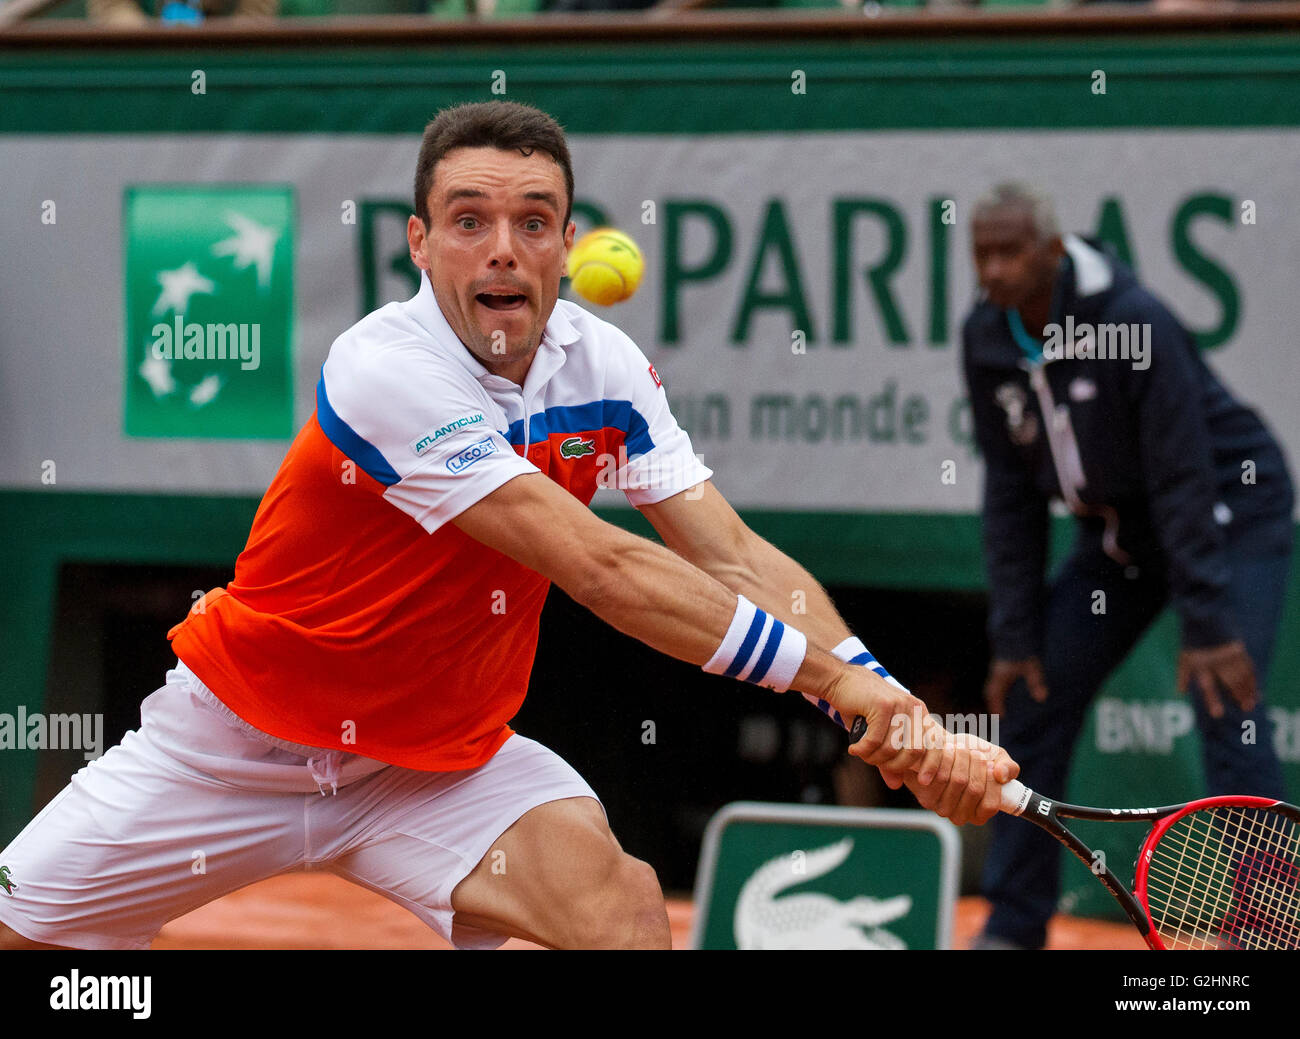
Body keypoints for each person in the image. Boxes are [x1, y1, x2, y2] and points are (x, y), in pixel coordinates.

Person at [0, 102, 1014, 952]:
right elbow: (600, 566)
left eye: (534, 221)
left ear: (569, 245)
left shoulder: (602, 366)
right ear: (419, 240)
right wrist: (828, 680)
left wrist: (880, 690)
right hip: (233, 744)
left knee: (622, 912)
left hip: (440, 766)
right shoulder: (382, 368)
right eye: (469, 219)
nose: (502, 248)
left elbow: (732, 552)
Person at [964, 181, 1293, 950]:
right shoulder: (986, 335)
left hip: (1228, 510)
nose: (995, 269)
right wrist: (1015, 635)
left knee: (1227, 701)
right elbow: (1009, 494)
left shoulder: (1132, 321)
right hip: (1121, 536)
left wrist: (1208, 622)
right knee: (1034, 693)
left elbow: (1183, 474)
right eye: (982, 252)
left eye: (1011, 250)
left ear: (1051, 250)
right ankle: (1013, 926)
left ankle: (1265, 933)